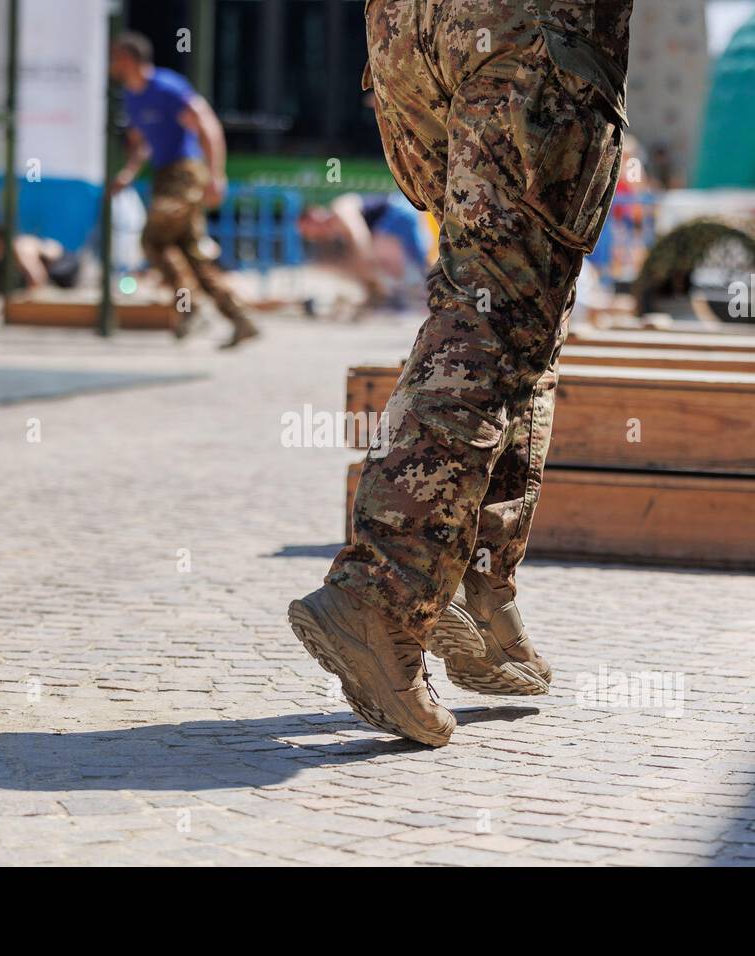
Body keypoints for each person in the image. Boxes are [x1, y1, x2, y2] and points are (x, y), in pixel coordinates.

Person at [289, 0, 633, 746]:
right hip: (526, 34)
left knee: (511, 312)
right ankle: (382, 595)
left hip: (407, 34)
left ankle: (478, 581)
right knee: (494, 310)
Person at [108, 31, 259, 348]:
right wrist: (128, 173)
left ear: (129, 58)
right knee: (192, 255)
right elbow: (139, 143)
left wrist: (216, 174)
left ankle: (190, 306)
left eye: (115, 57)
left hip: (186, 173)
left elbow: (207, 124)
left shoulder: (167, 87)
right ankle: (239, 318)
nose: (111, 64)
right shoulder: (133, 97)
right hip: (163, 175)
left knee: (153, 237)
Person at [298, 193, 432, 311]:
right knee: (415, 262)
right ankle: (406, 294)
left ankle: (422, 292)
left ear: (314, 215)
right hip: (395, 218)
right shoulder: (336, 231)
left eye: (308, 230)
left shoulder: (340, 208)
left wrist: (368, 264)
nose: (312, 236)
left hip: (398, 211)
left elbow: (359, 235)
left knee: (417, 261)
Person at [0, 225, 80, 291]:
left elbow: (37, 277)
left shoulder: (20, 248)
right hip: (57, 264)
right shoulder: (14, 250)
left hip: (65, 265)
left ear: (0, 240)